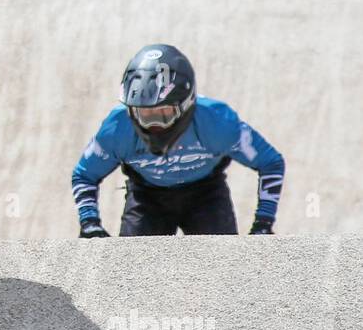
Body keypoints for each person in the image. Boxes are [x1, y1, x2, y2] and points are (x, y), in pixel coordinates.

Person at [71, 44, 285, 238]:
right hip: (148, 198)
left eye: (163, 113)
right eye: (144, 114)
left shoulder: (218, 120)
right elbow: (83, 176)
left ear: (187, 103)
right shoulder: (117, 126)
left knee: (221, 271)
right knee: (133, 272)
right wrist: (90, 223)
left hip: (205, 196)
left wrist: (263, 223)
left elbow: (272, 163)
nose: (153, 125)